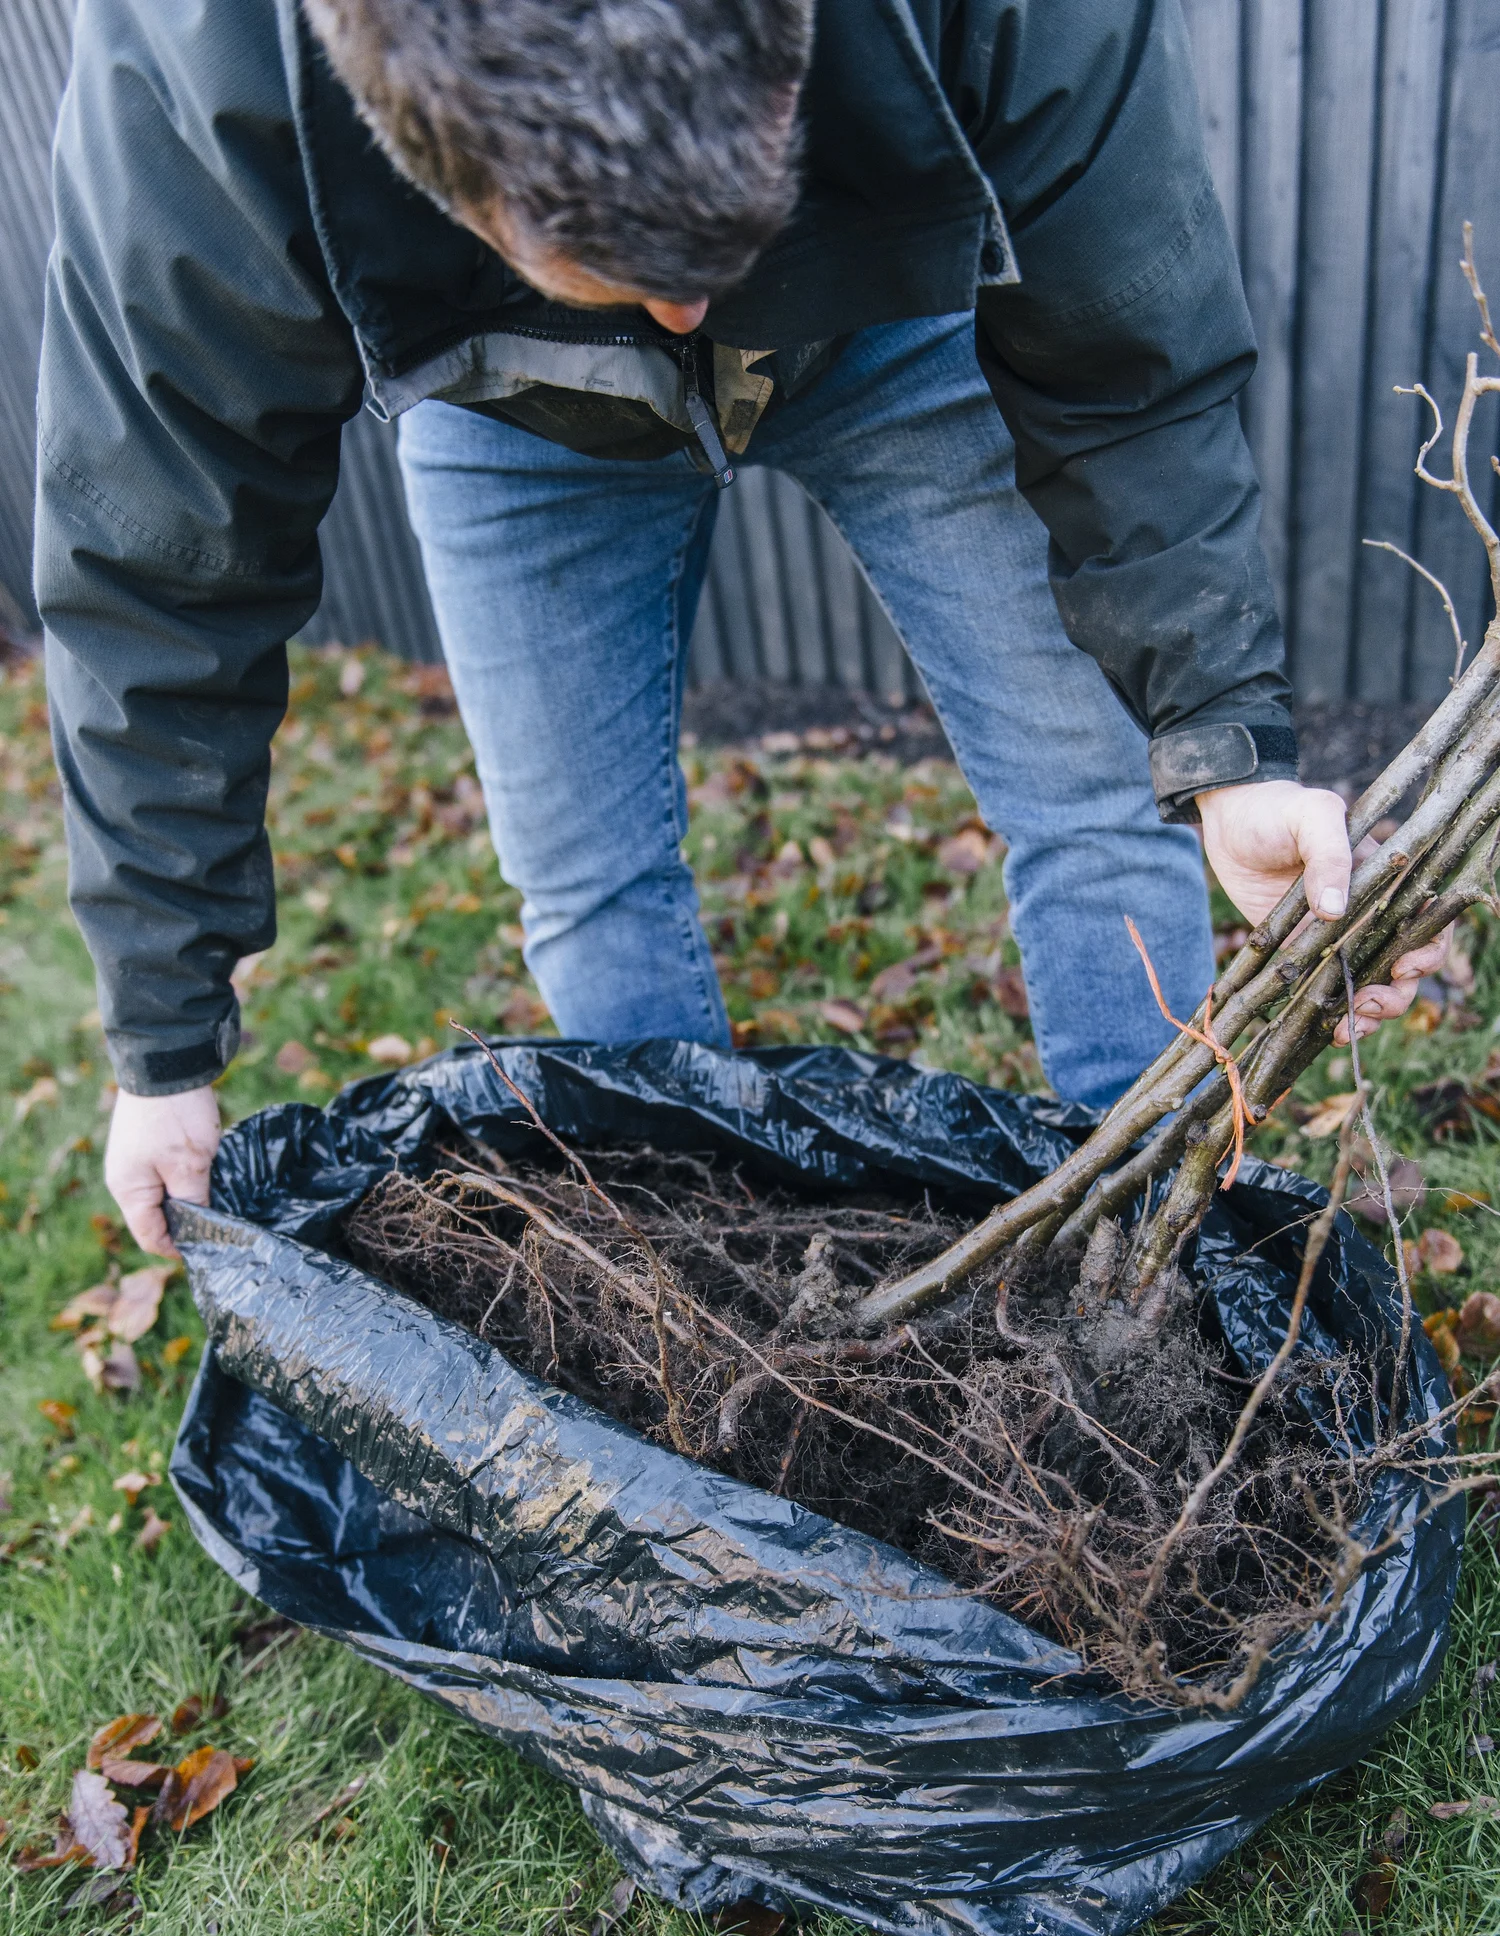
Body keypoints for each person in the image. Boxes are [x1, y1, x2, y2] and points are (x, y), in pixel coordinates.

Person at [36, 0, 1441, 1258]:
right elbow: (160, 556)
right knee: (589, 881)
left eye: (716, 239)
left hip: (891, 318)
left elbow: (1128, 346)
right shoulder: (200, 69)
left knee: (1097, 800)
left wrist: (1223, 737)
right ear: (421, 152)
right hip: (512, 401)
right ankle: (705, 1305)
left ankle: (1148, 1263)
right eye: (624, 265)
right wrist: (162, 1044)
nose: (689, 313)